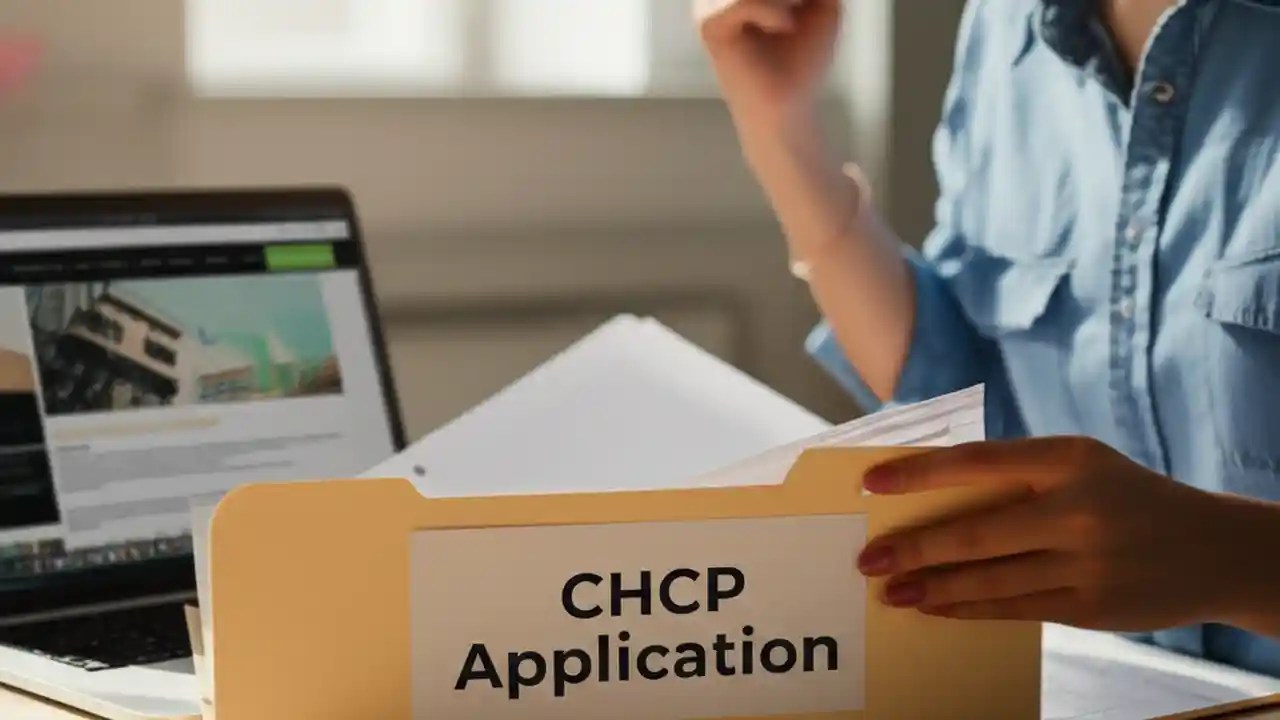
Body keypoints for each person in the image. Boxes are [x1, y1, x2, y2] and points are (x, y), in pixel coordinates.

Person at [697, 0, 1280, 676]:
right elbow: (963, 391)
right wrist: (779, 126)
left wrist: (1237, 559)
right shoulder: (1004, 23)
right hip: (1110, 688)